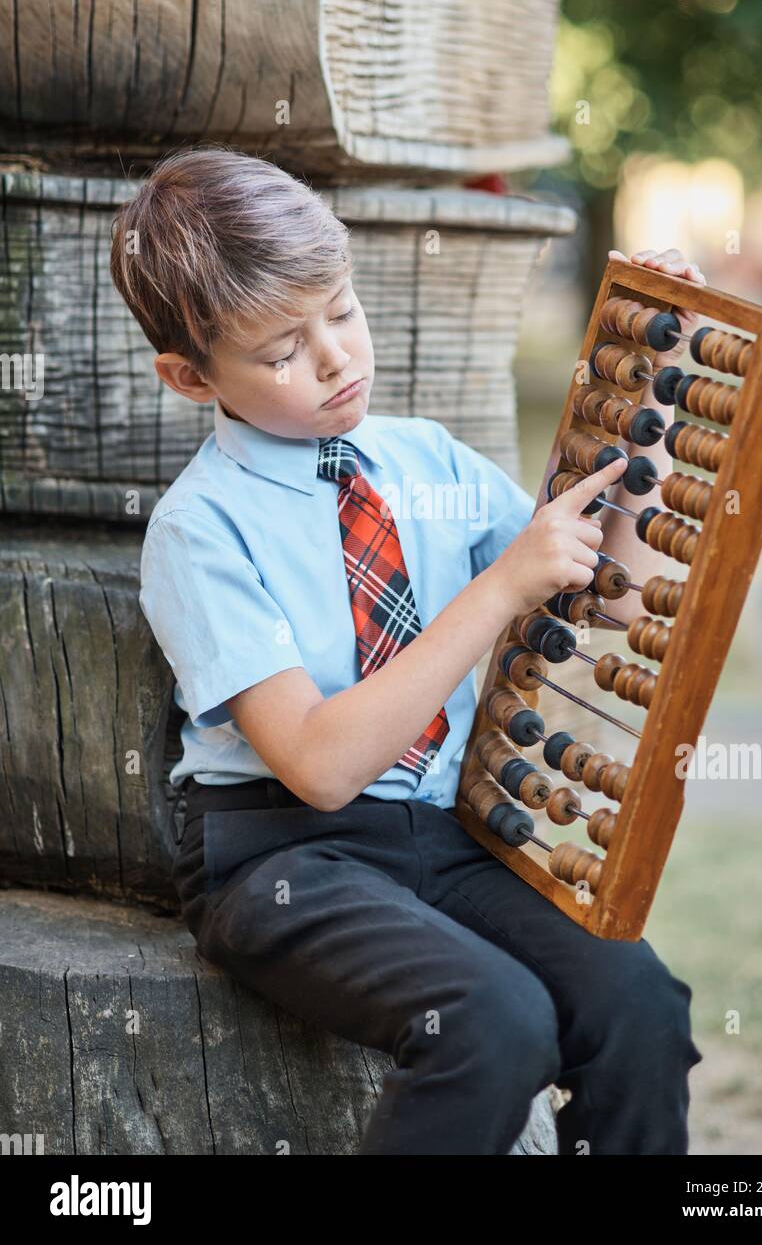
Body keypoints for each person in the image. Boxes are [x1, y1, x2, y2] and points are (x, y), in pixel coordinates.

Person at [110, 144, 704, 1155]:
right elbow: (322, 765)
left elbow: (607, 596)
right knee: (492, 1020)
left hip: (446, 834)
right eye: (281, 349)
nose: (337, 358)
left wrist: (649, 394)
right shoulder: (198, 529)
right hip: (284, 856)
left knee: (639, 1001)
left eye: (341, 311)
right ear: (187, 375)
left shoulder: (423, 459)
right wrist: (500, 584)